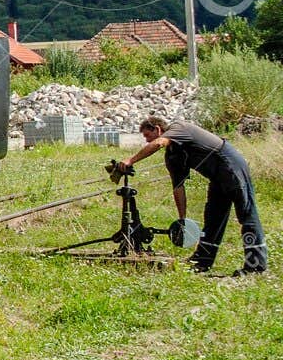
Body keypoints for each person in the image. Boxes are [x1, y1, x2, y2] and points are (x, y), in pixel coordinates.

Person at [110, 116, 267, 274]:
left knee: (246, 214)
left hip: (231, 164)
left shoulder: (179, 128)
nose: (146, 141)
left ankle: (255, 266)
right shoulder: (172, 156)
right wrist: (182, 220)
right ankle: (202, 261)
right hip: (216, 177)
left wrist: (131, 160)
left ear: (157, 129)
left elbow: (158, 143)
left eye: (147, 136)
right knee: (213, 216)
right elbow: (178, 188)